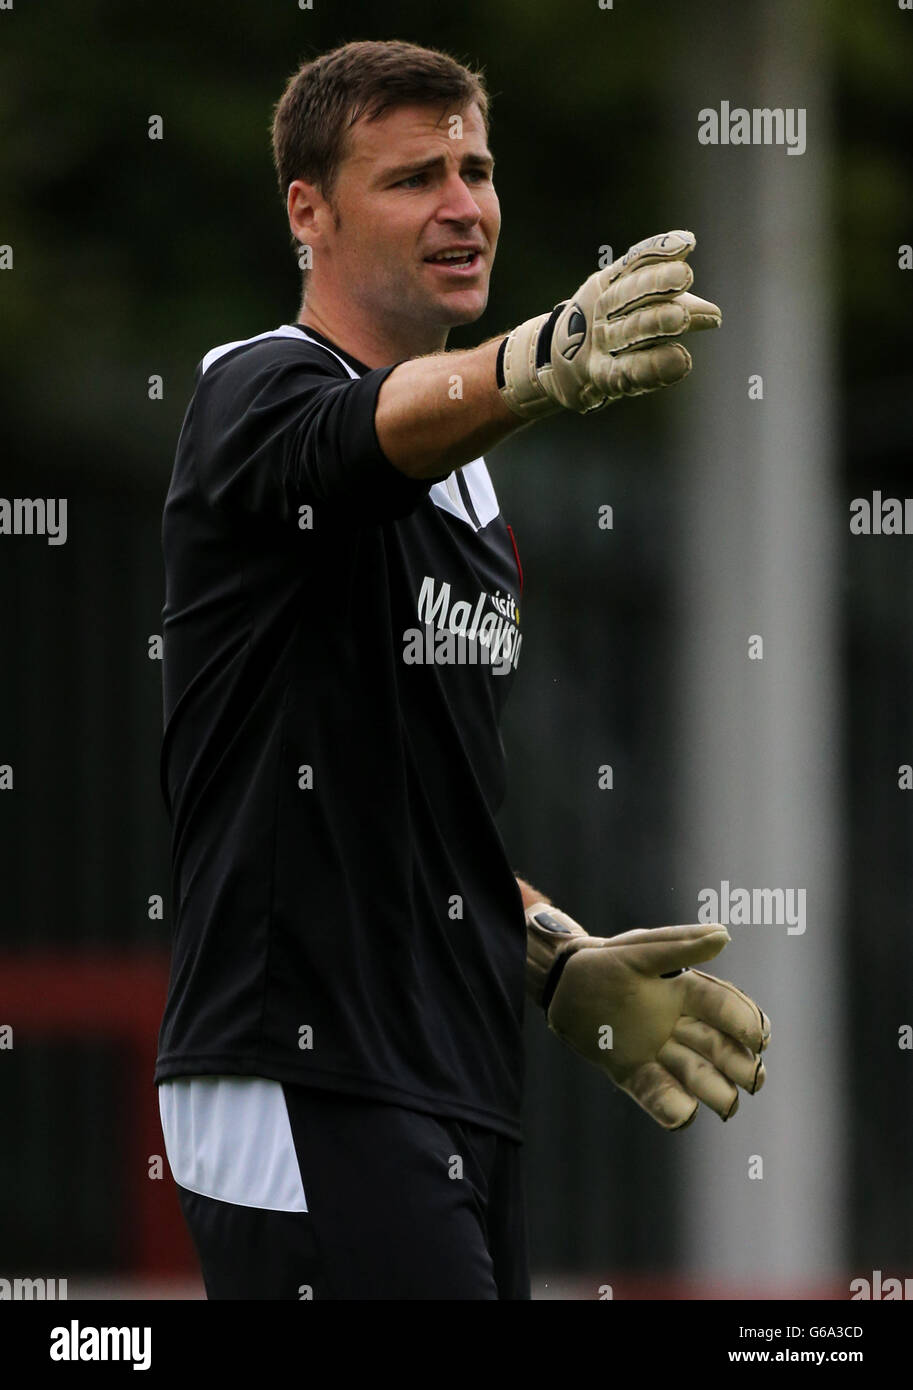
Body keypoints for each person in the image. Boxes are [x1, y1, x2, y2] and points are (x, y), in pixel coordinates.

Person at [155, 37, 771, 1301]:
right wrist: (536, 359)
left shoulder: (473, 497)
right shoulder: (252, 388)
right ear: (307, 212)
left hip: (455, 1083)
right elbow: (356, 431)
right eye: (413, 176)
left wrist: (549, 950)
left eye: (477, 169)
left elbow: (421, 815)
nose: (462, 204)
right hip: (302, 1070)